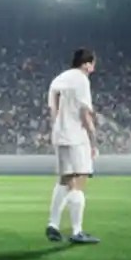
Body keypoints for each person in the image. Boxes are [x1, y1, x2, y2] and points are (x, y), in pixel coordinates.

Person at [45, 48, 101, 245]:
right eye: (93, 64)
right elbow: (85, 114)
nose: (93, 69)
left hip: (60, 135)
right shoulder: (81, 80)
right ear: (86, 63)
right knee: (79, 180)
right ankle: (77, 230)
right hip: (77, 137)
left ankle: (53, 223)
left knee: (64, 180)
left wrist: (58, 130)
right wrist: (93, 138)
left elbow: (53, 110)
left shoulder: (58, 80)